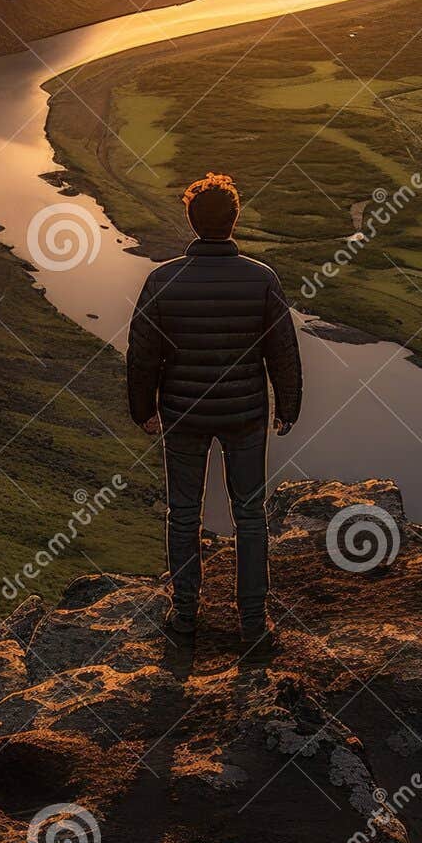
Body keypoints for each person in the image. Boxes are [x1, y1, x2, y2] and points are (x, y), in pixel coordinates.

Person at [126, 172, 302, 655]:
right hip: (245, 413)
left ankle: (184, 617)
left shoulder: (161, 280)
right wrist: (288, 406)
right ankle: (252, 623)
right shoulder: (261, 278)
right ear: (234, 220)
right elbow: (281, 350)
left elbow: (142, 355)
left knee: (183, 515)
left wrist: (143, 410)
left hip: (183, 413)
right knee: (251, 516)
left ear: (191, 220)